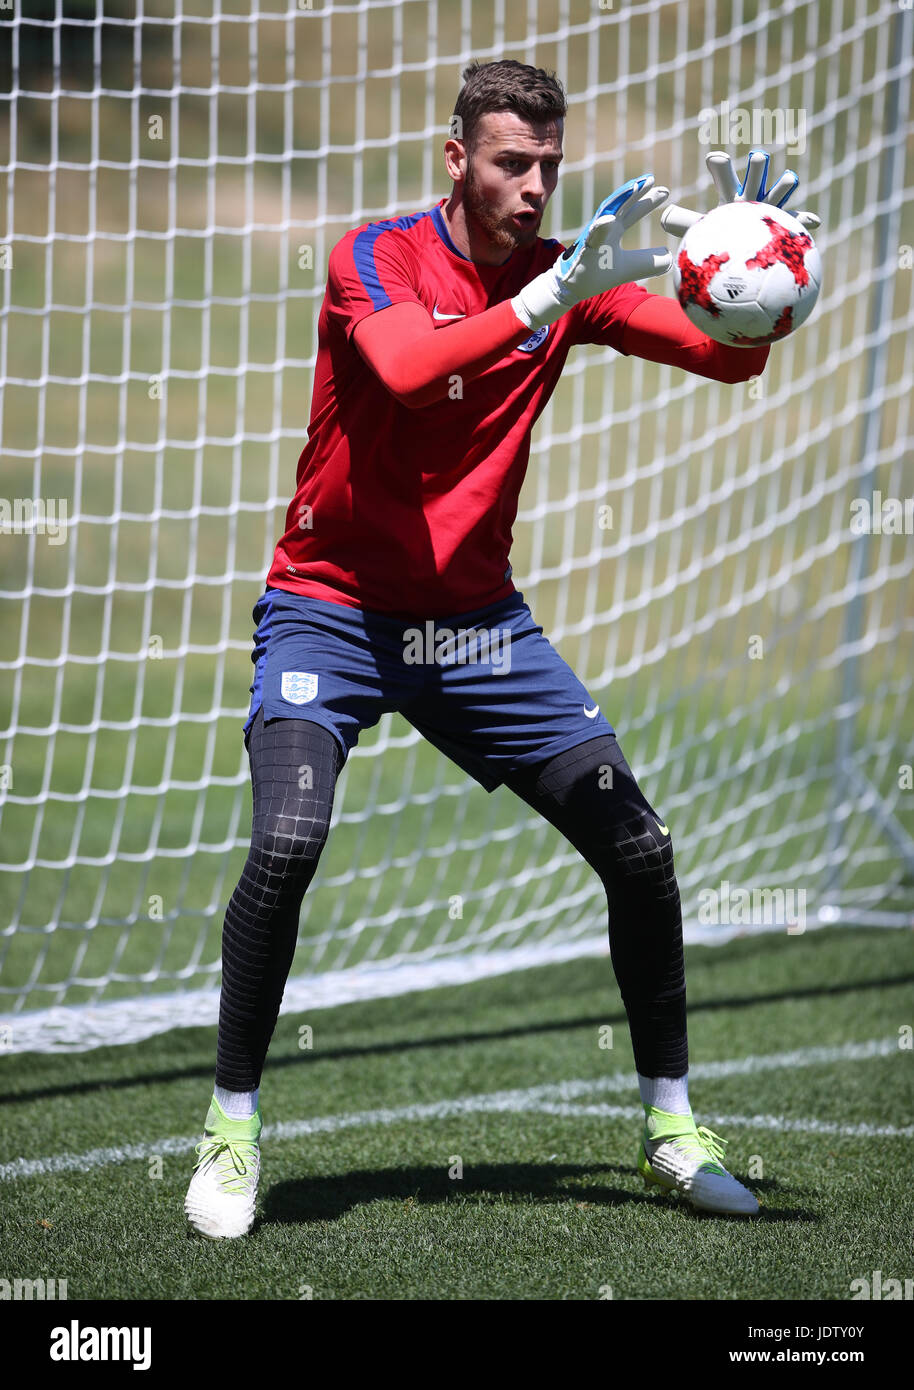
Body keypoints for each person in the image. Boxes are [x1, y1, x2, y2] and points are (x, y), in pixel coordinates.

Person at [184, 59, 817, 1238]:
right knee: (286, 838)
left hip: (475, 632)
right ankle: (231, 1128)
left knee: (637, 844)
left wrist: (759, 265)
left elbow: (728, 357)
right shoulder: (373, 257)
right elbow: (411, 372)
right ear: (455, 159)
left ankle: (671, 1128)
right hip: (332, 610)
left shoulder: (564, 278)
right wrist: (552, 293)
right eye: (509, 164)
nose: (531, 188)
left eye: (548, 168)